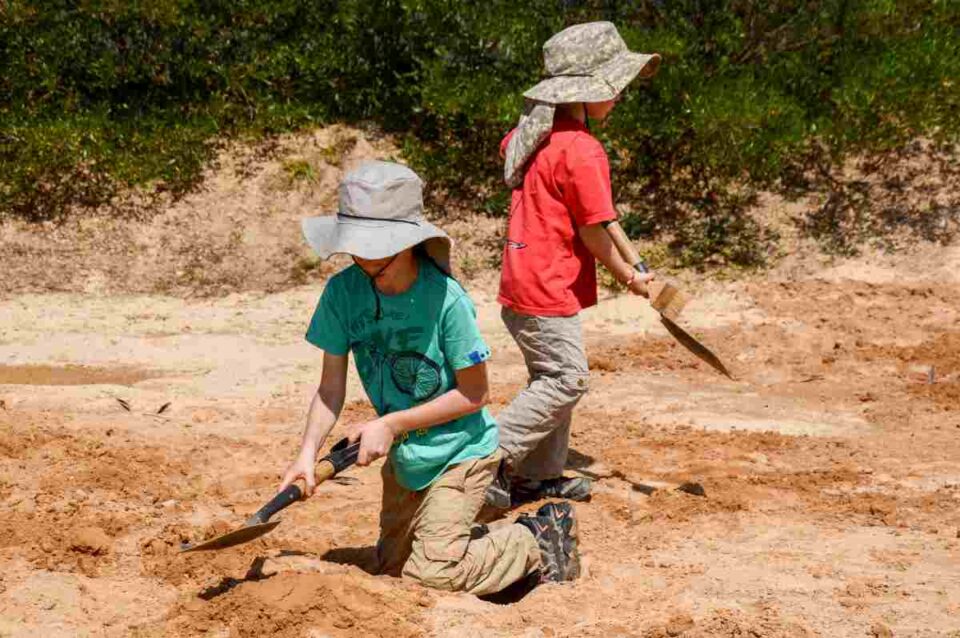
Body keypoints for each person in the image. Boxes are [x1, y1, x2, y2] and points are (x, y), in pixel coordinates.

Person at [277, 161, 579, 594]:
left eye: (375, 250)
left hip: (461, 454)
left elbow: (475, 393)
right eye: (355, 246)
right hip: (406, 463)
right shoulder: (342, 293)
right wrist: (307, 454)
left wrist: (390, 424)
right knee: (393, 571)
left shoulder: (447, 300)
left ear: (407, 243)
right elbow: (329, 390)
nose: (363, 260)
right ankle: (461, 540)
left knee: (432, 577)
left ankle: (538, 536)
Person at [488, 22, 662, 509]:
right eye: (613, 86)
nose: (619, 95)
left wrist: (633, 264)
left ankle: (537, 477)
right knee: (567, 379)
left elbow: (600, 220)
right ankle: (484, 458)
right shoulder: (583, 150)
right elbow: (592, 232)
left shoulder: (534, 136)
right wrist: (629, 276)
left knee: (549, 378)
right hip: (546, 285)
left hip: (524, 279)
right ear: (583, 92)